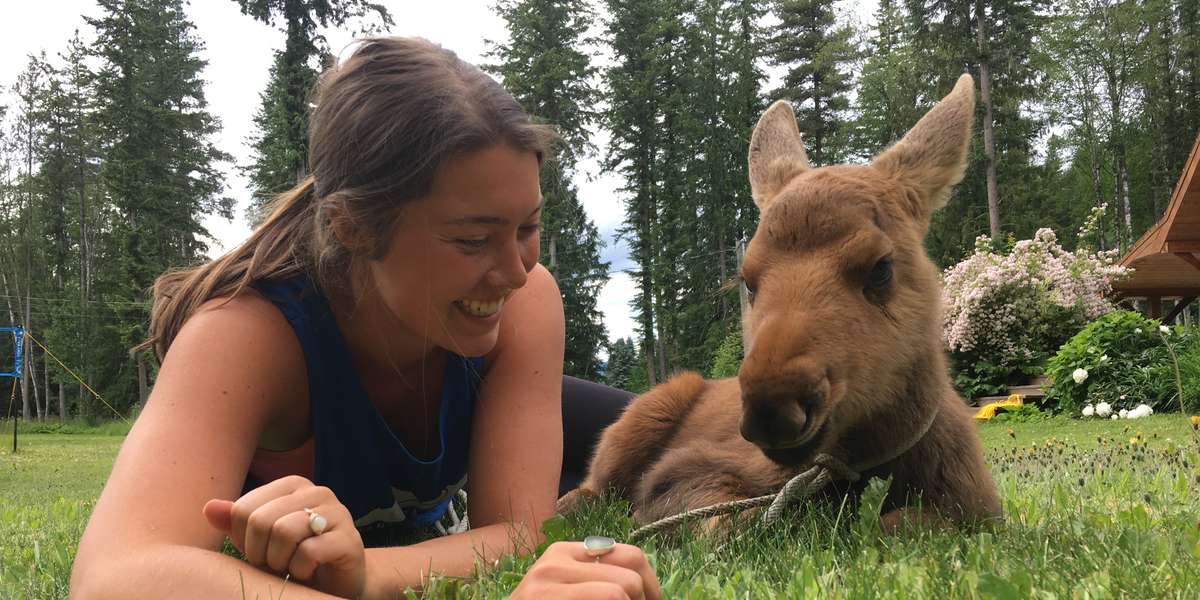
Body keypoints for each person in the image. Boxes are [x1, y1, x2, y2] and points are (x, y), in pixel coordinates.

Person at [69, 36, 660, 600]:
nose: (514, 269)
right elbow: (117, 576)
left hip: (535, 402)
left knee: (686, 433)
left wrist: (366, 578)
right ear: (353, 226)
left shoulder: (527, 299)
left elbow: (520, 536)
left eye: (527, 228)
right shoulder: (245, 333)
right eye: (473, 239)